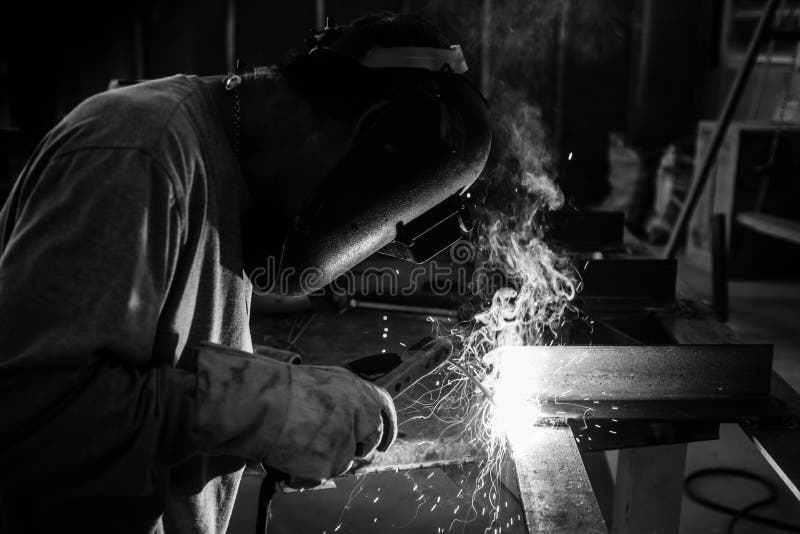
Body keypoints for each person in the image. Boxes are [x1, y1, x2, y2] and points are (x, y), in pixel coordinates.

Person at [0, 13, 490, 534]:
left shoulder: (233, 178)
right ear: (347, 131)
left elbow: (159, 366)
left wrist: (286, 404)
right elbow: (28, 412)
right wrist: (267, 408)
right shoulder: (140, 153)